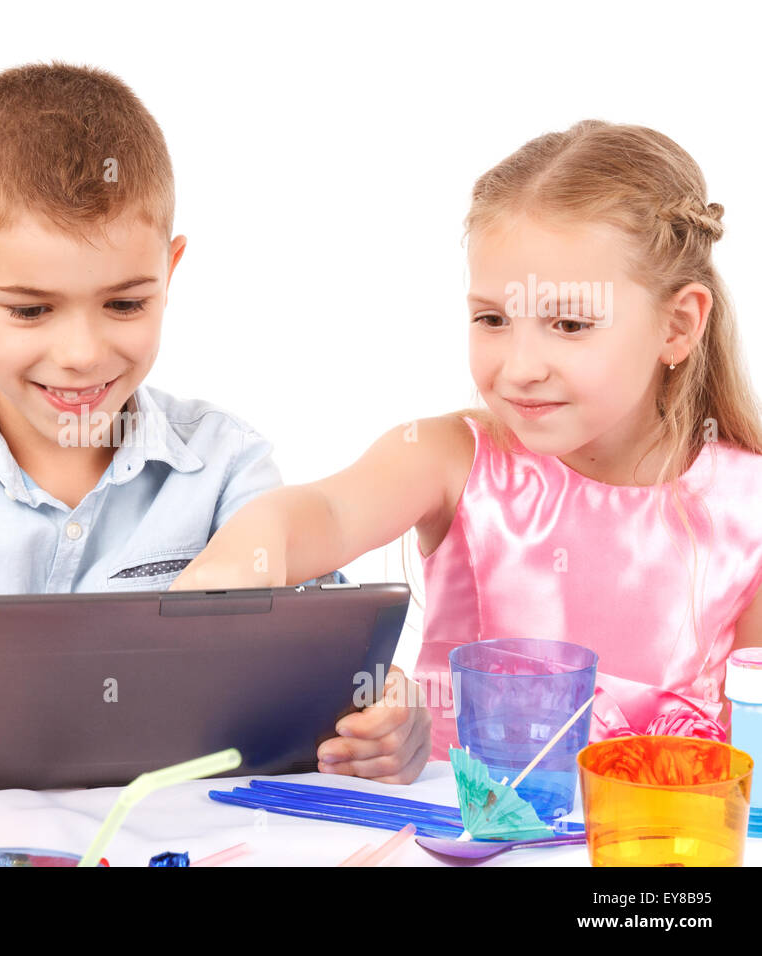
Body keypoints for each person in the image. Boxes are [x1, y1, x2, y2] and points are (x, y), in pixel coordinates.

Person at [0, 63, 424, 781]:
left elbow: (322, 643)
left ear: (169, 273)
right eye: (31, 310)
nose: (80, 354)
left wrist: (385, 713)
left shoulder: (225, 459)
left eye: (126, 304)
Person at [174, 120, 762, 767]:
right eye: (492, 319)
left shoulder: (747, 508)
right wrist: (239, 562)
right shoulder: (451, 458)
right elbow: (323, 511)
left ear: (678, 326)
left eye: (568, 322)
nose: (520, 367)